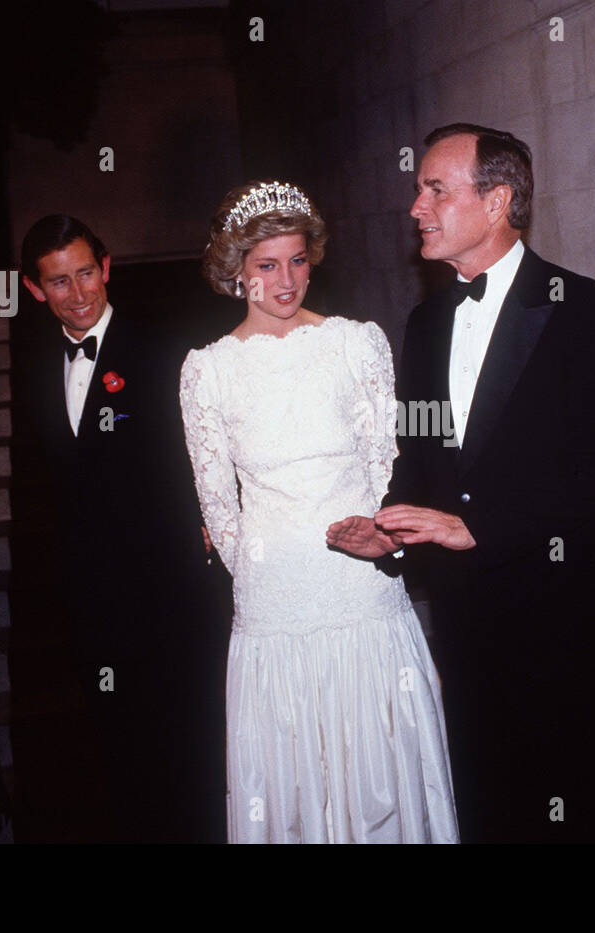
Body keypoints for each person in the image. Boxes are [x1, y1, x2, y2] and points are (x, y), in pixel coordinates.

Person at [329, 124, 595, 843]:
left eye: (435, 188)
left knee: (571, 809)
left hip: (563, 620)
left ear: (496, 201)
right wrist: (392, 528)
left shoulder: (581, 305)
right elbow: (421, 456)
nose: (415, 207)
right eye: (419, 189)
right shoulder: (427, 320)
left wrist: (483, 523)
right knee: (487, 806)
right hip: (467, 622)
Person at [180, 181, 457, 844]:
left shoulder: (356, 343)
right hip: (274, 600)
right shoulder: (207, 370)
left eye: (298, 260)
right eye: (267, 265)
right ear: (235, 269)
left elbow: (384, 467)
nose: (286, 280)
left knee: (378, 770)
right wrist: (269, 572)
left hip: (360, 587)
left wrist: (381, 542)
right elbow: (218, 504)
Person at [9, 215, 225, 842]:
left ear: (106, 268)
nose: (78, 294)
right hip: (93, 607)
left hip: (173, 598)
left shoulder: (164, 351)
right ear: (34, 289)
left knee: (194, 754)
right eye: (58, 282)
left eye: (85, 274)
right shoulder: (32, 368)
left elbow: (207, 455)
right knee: (122, 756)